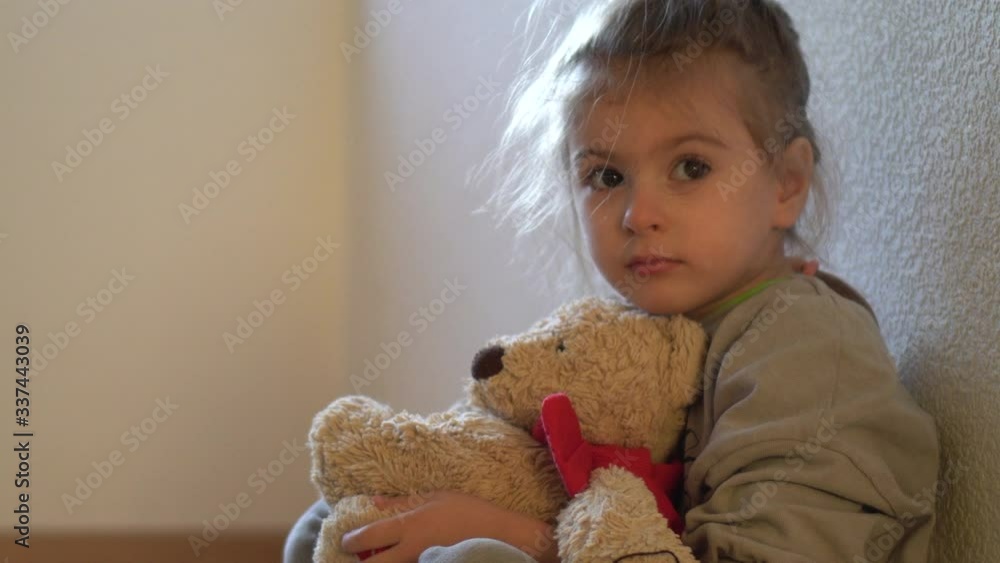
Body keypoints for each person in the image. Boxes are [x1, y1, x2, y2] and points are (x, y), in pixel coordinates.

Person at [286, 1, 940, 561]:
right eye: (605, 175)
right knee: (337, 522)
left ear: (786, 184)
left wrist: (518, 535)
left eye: (690, 166)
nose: (638, 214)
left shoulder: (805, 347)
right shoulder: (635, 344)